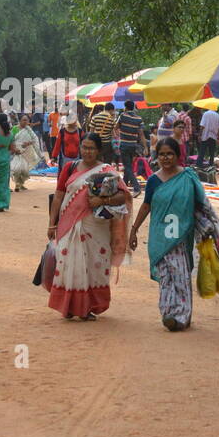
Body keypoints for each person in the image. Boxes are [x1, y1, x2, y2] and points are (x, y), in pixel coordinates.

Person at [47, 133, 132, 320]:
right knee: (68, 263)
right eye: (84, 147)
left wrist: (101, 199)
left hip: (96, 227)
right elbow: (59, 195)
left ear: (99, 150)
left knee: (94, 265)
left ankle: (88, 306)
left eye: (91, 148)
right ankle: (69, 306)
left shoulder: (107, 171)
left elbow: (123, 196)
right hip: (69, 225)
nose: (87, 151)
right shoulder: (70, 168)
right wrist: (52, 224)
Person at [129, 137, 210, 331]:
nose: (166, 158)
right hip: (159, 235)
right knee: (165, 276)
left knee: (180, 275)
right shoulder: (153, 181)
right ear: (157, 157)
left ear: (177, 155)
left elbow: (201, 205)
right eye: (162, 154)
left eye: (170, 154)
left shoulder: (188, 177)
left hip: (181, 236)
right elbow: (146, 205)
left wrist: (208, 229)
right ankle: (169, 314)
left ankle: (183, 316)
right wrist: (134, 229)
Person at [115, 104, 147, 196]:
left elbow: (116, 127)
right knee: (128, 166)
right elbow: (141, 134)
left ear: (125, 107)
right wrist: (145, 147)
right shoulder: (139, 119)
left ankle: (136, 188)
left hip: (124, 144)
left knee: (128, 167)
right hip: (133, 146)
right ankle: (124, 187)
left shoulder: (123, 116)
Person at [11, 115, 44, 191]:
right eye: (24, 120)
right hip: (17, 151)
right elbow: (11, 140)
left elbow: (34, 139)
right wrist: (15, 149)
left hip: (27, 152)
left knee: (25, 170)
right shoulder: (15, 129)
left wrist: (28, 143)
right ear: (20, 121)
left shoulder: (29, 129)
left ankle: (21, 184)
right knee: (17, 168)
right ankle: (17, 184)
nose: (26, 122)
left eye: (27, 120)